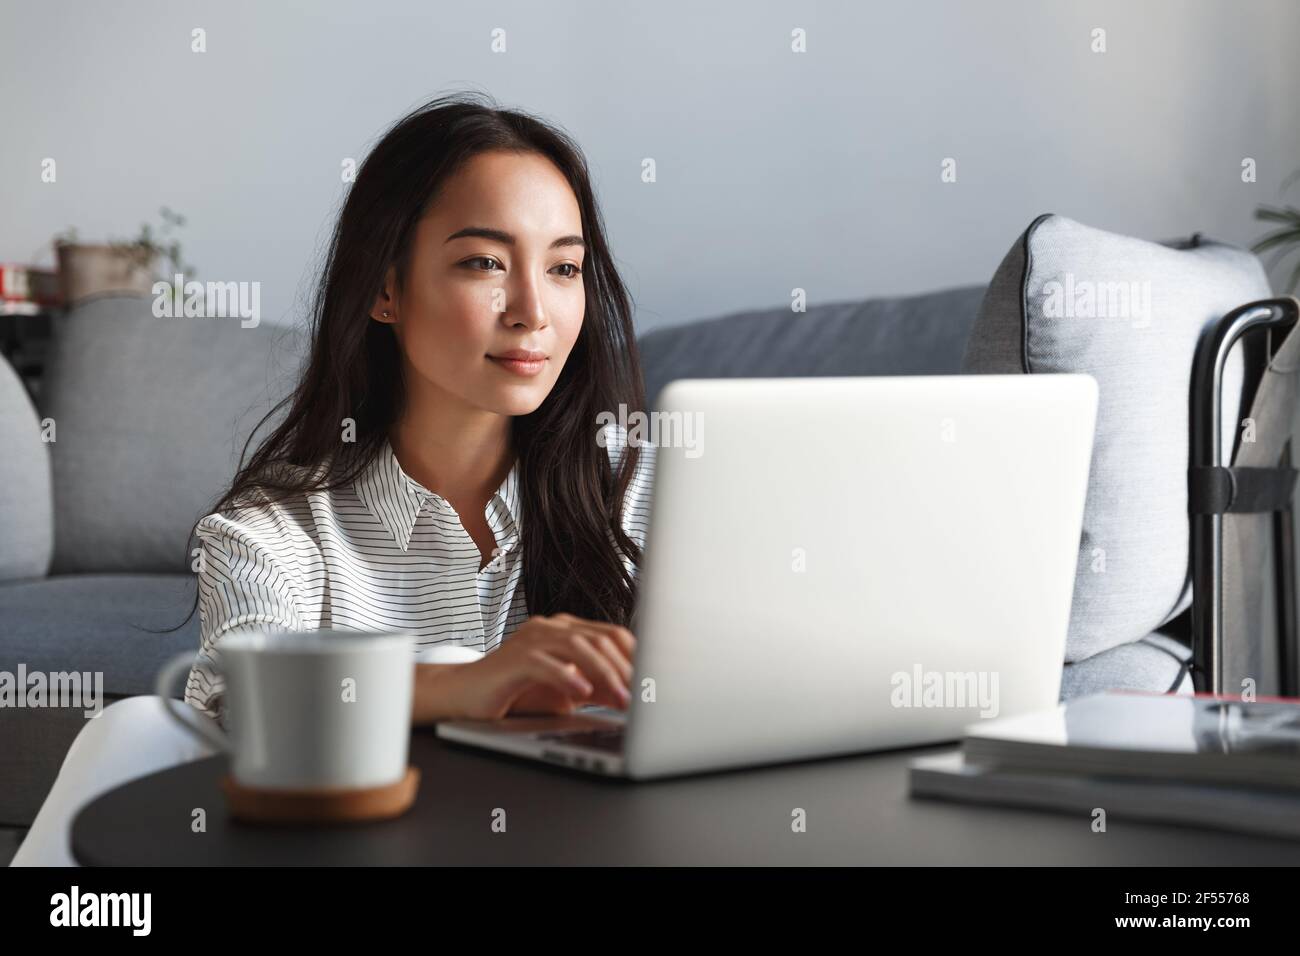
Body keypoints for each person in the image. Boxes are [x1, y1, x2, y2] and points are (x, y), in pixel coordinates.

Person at [12, 91, 655, 866]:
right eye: (484, 262)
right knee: (135, 730)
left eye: (563, 267)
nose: (532, 310)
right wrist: (468, 683)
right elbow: (242, 700)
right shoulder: (270, 528)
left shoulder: (648, 493)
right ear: (386, 289)